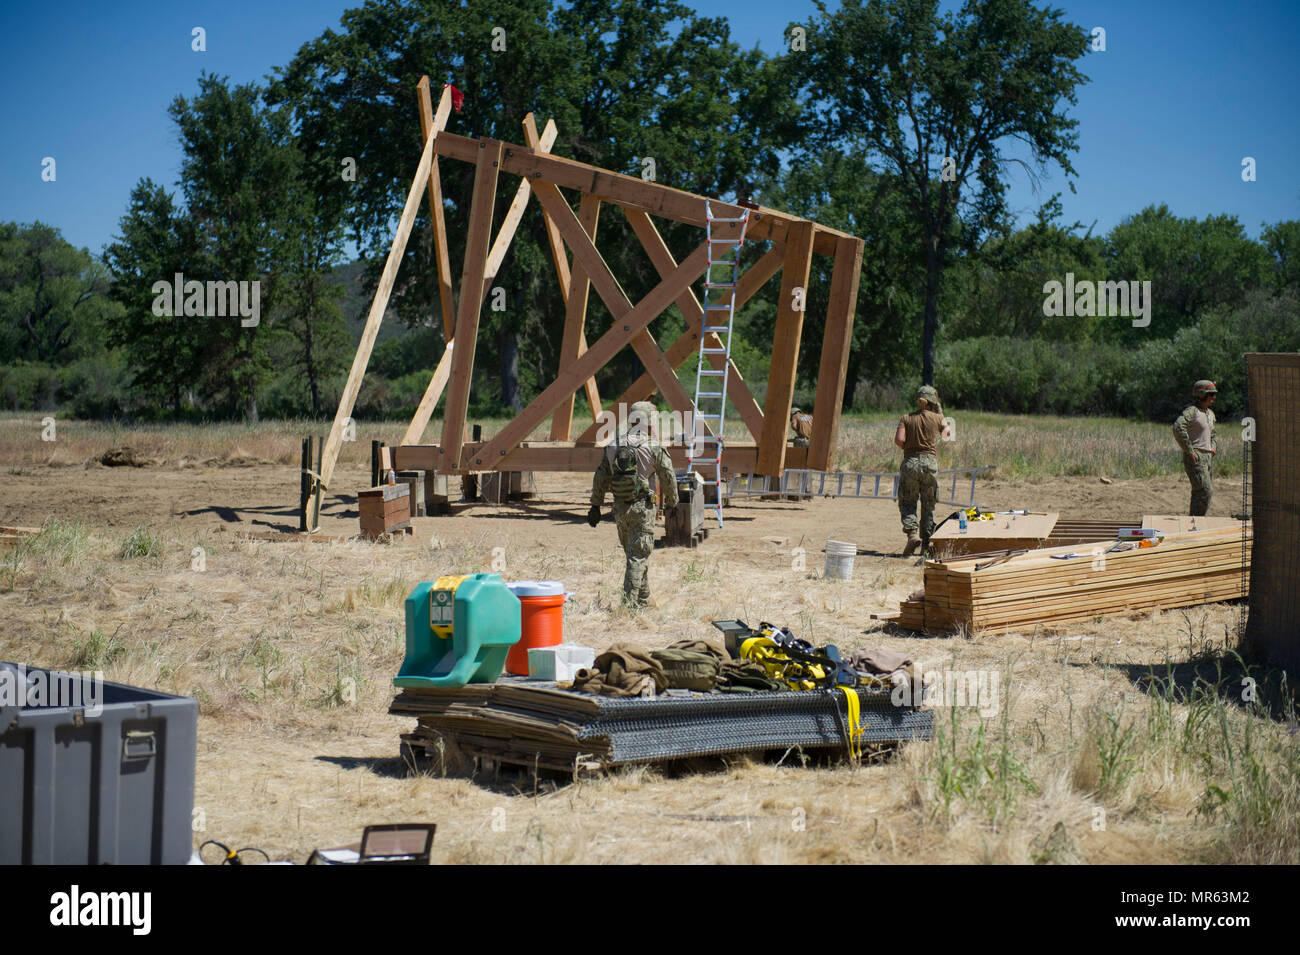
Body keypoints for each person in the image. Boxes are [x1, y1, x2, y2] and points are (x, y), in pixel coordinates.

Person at [588, 401, 678, 608]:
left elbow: (601, 476)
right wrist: (673, 504)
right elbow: (668, 477)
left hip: (619, 507)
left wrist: (595, 506)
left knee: (634, 554)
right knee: (638, 556)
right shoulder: (653, 446)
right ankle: (628, 608)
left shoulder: (613, 444)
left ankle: (644, 601)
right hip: (642, 508)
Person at [894, 385, 944, 557]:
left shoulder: (906, 418)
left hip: (910, 462)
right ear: (933, 402)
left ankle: (912, 535)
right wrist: (941, 413)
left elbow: (899, 440)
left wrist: (910, 448)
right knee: (928, 505)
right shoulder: (937, 418)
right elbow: (947, 434)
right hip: (930, 464)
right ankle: (926, 545)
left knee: (908, 502)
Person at [1172, 380, 1217, 516]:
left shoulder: (1210, 414)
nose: (1213, 398)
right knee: (1204, 491)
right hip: (1196, 456)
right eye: (1211, 395)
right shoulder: (1192, 411)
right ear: (1202, 395)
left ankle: (1195, 522)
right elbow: (1178, 427)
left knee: (1203, 493)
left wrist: (1213, 446)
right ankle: (1196, 521)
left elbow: (1213, 433)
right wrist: (1189, 450)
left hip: (1207, 457)